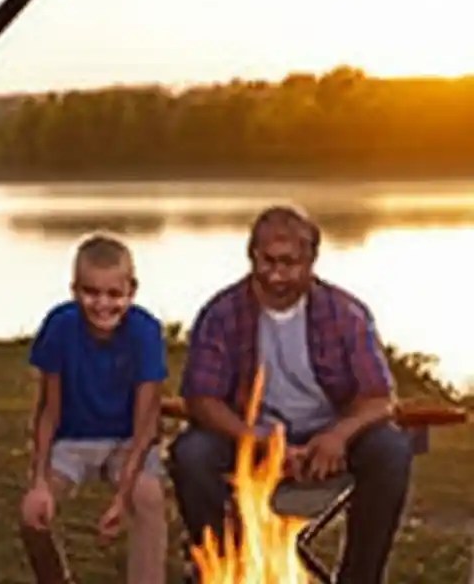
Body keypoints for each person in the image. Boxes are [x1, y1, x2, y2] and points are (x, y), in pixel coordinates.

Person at [169, 205, 412, 584]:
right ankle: (229, 569)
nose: (276, 275)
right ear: (252, 256)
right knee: (191, 453)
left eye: (289, 263)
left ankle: (360, 578)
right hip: (249, 434)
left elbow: (380, 398)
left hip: (327, 436)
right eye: (267, 261)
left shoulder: (345, 313)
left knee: (391, 450)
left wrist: (337, 436)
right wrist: (256, 440)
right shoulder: (222, 314)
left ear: (311, 262)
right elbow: (202, 399)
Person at [19, 233, 168, 584]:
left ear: (131, 291)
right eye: (91, 292)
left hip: (127, 440)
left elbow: (146, 423)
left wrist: (121, 497)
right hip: (73, 439)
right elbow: (48, 411)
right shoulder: (60, 326)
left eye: (114, 294)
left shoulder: (145, 333)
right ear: (74, 290)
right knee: (32, 512)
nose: (102, 304)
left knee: (148, 497)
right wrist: (39, 479)